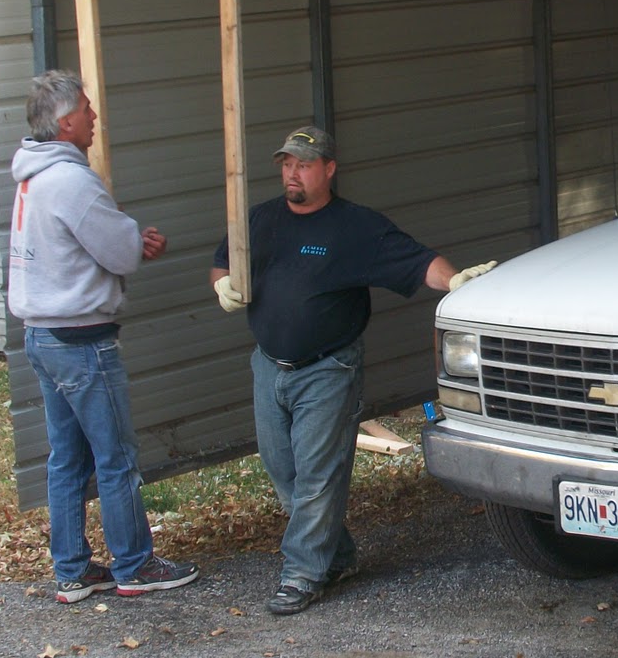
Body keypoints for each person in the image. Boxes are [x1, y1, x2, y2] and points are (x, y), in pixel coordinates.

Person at [211, 125, 495, 616]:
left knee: (318, 477)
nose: (291, 173)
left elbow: (416, 261)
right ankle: (336, 556)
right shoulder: (261, 221)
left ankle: (301, 574)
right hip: (268, 366)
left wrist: (456, 281)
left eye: (302, 164)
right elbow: (222, 261)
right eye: (286, 163)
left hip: (327, 369)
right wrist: (222, 285)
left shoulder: (355, 228)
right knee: (284, 471)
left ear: (328, 169)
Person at [7, 71, 200, 603]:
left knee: (66, 459)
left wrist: (128, 239)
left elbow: (90, 244)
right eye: (87, 110)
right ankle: (135, 565)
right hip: (81, 341)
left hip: (42, 335)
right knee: (115, 457)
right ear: (66, 122)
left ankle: (72, 570)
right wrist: (135, 242)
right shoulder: (71, 180)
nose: (95, 118)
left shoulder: (32, 175)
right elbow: (118, 253)